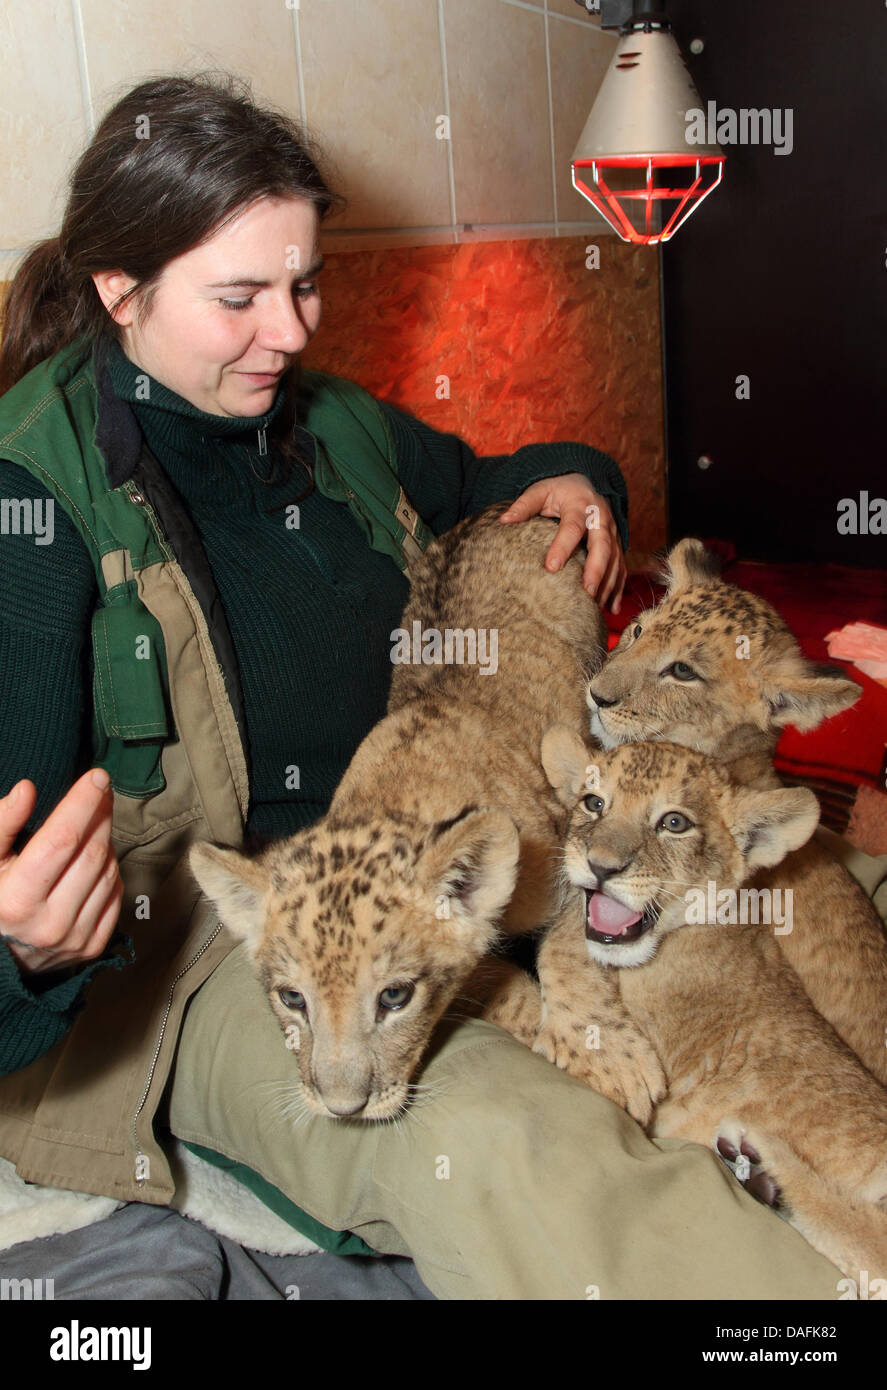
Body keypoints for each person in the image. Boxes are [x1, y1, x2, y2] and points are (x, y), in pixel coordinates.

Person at [0, 71, 844, 1300]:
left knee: (817, 908)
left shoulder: (326, 421)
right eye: (238, 297)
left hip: (434, 868)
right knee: (511, 1137)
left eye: (303, 283)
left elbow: (507, 470)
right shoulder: (30, 505)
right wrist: (23, 949)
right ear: (119, 291)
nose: (290, 332)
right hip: (214, 952)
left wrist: (578, 482)